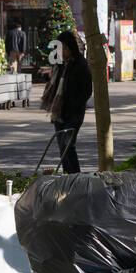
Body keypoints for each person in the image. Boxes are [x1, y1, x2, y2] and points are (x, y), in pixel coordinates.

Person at [41, 29, 92, 174]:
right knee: (63, 148)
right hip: (59, 112)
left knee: (68, 146)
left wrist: (76, 104)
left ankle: (75, 176)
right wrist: (48, 76)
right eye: (59, 47)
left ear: (71, 47)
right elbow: (55, 84)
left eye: (64, 47)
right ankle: (68, 175)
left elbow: (87, 89)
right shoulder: (60, 64)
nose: (62, 51)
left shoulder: (80, 64)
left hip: (73, 113)